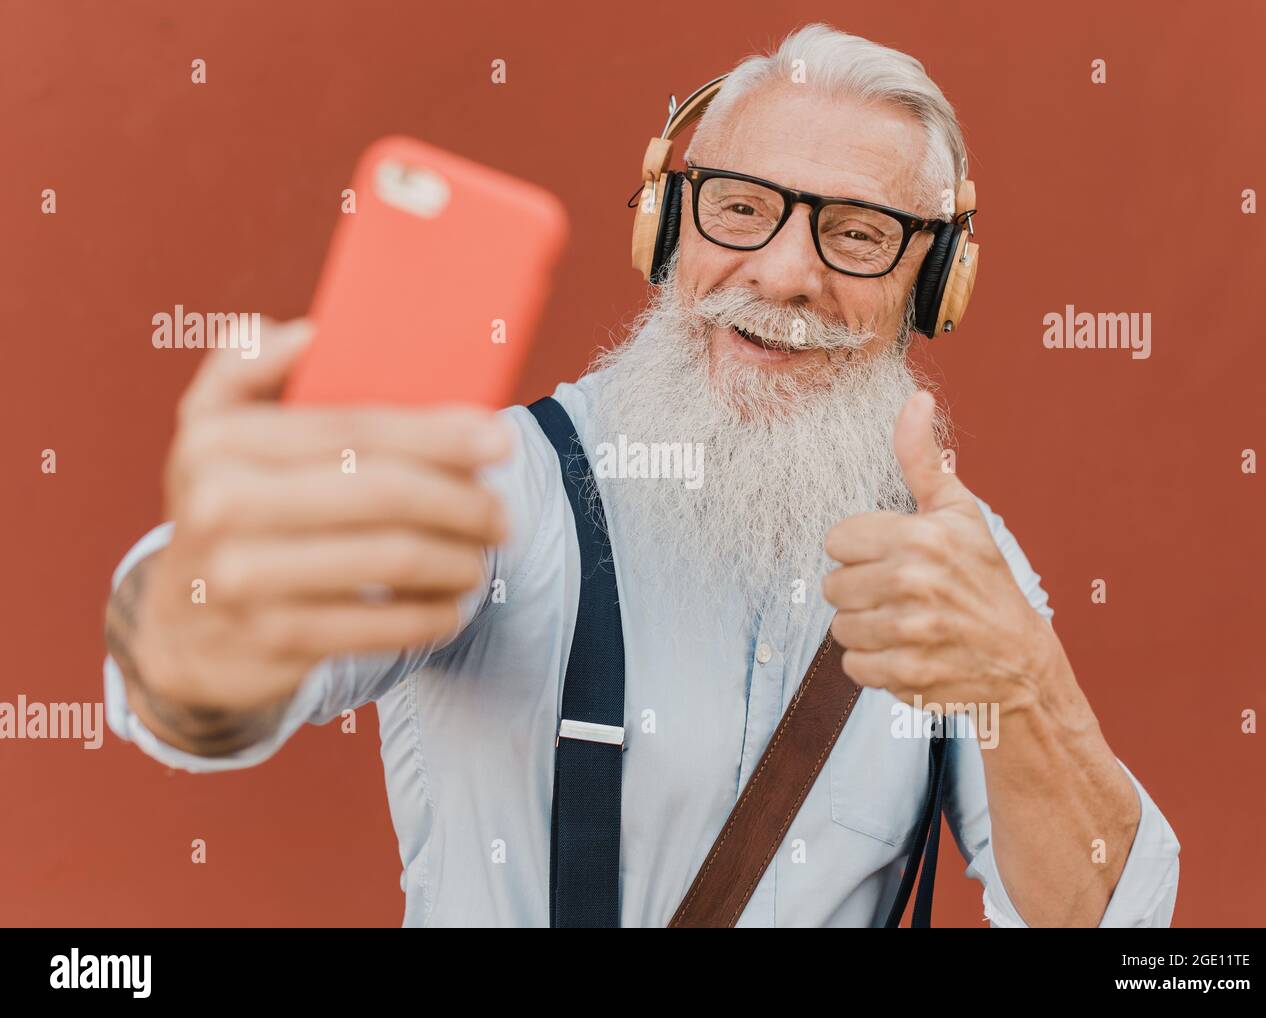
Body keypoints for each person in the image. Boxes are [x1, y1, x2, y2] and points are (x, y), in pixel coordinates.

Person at [104, 23, 1179, 927]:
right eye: (743, 207)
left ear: (931, 285)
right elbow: (201, 699)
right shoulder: (497, 491)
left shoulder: (954, 564)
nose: (786, 274)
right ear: (664, 222)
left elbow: (1111, 924)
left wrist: (1024, 683)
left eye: (858, 234)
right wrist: (210, 602)